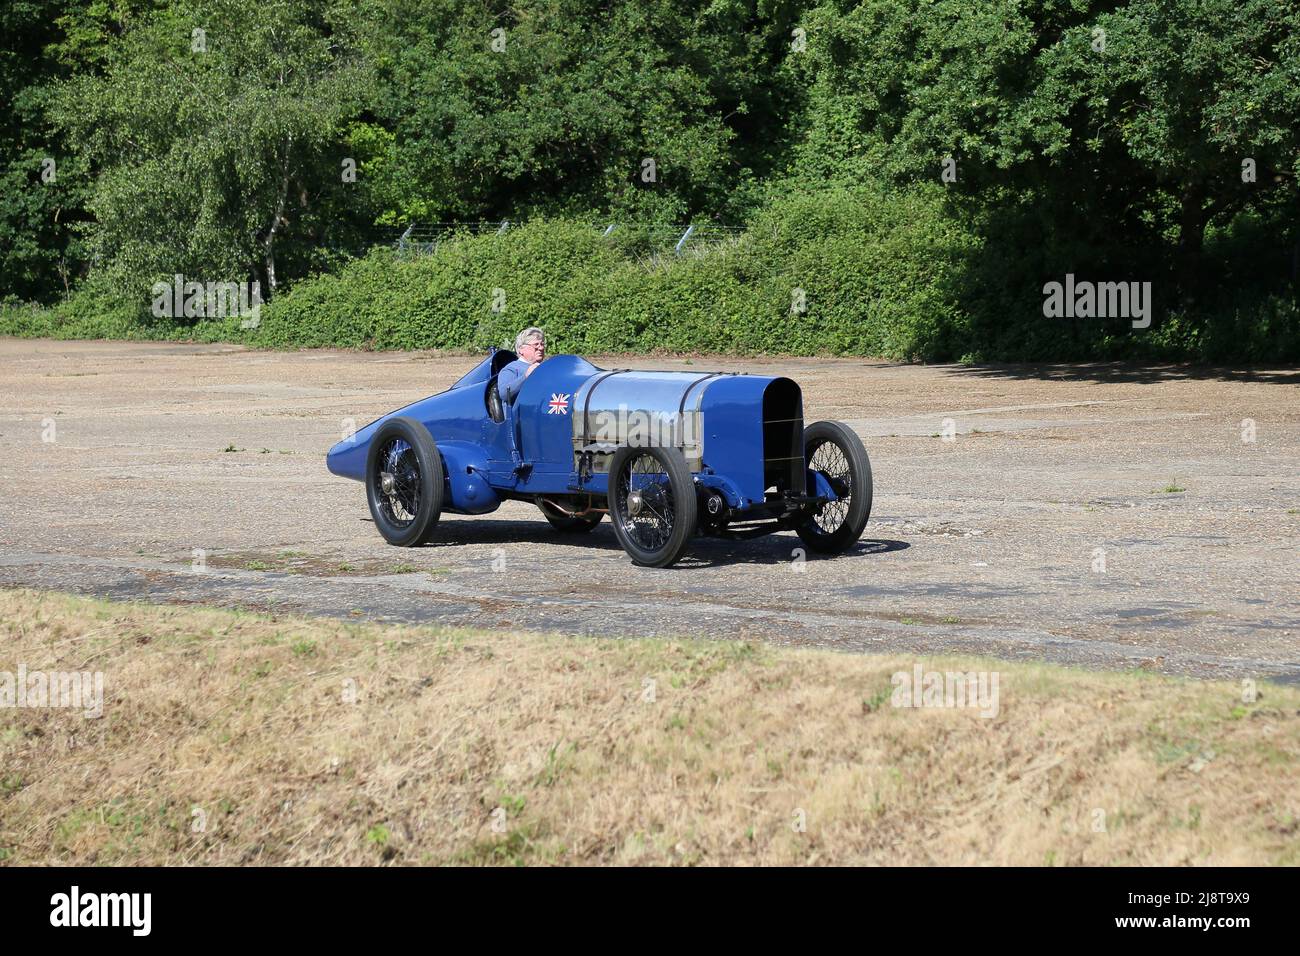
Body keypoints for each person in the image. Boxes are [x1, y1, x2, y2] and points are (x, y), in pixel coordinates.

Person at [497, 327, 546, 402]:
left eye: (542, 344)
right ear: (521, 349)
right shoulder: (511, 369)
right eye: (536, 345)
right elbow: (504, 394)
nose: (541, 348)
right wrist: (526, 377)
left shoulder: (546, 367)